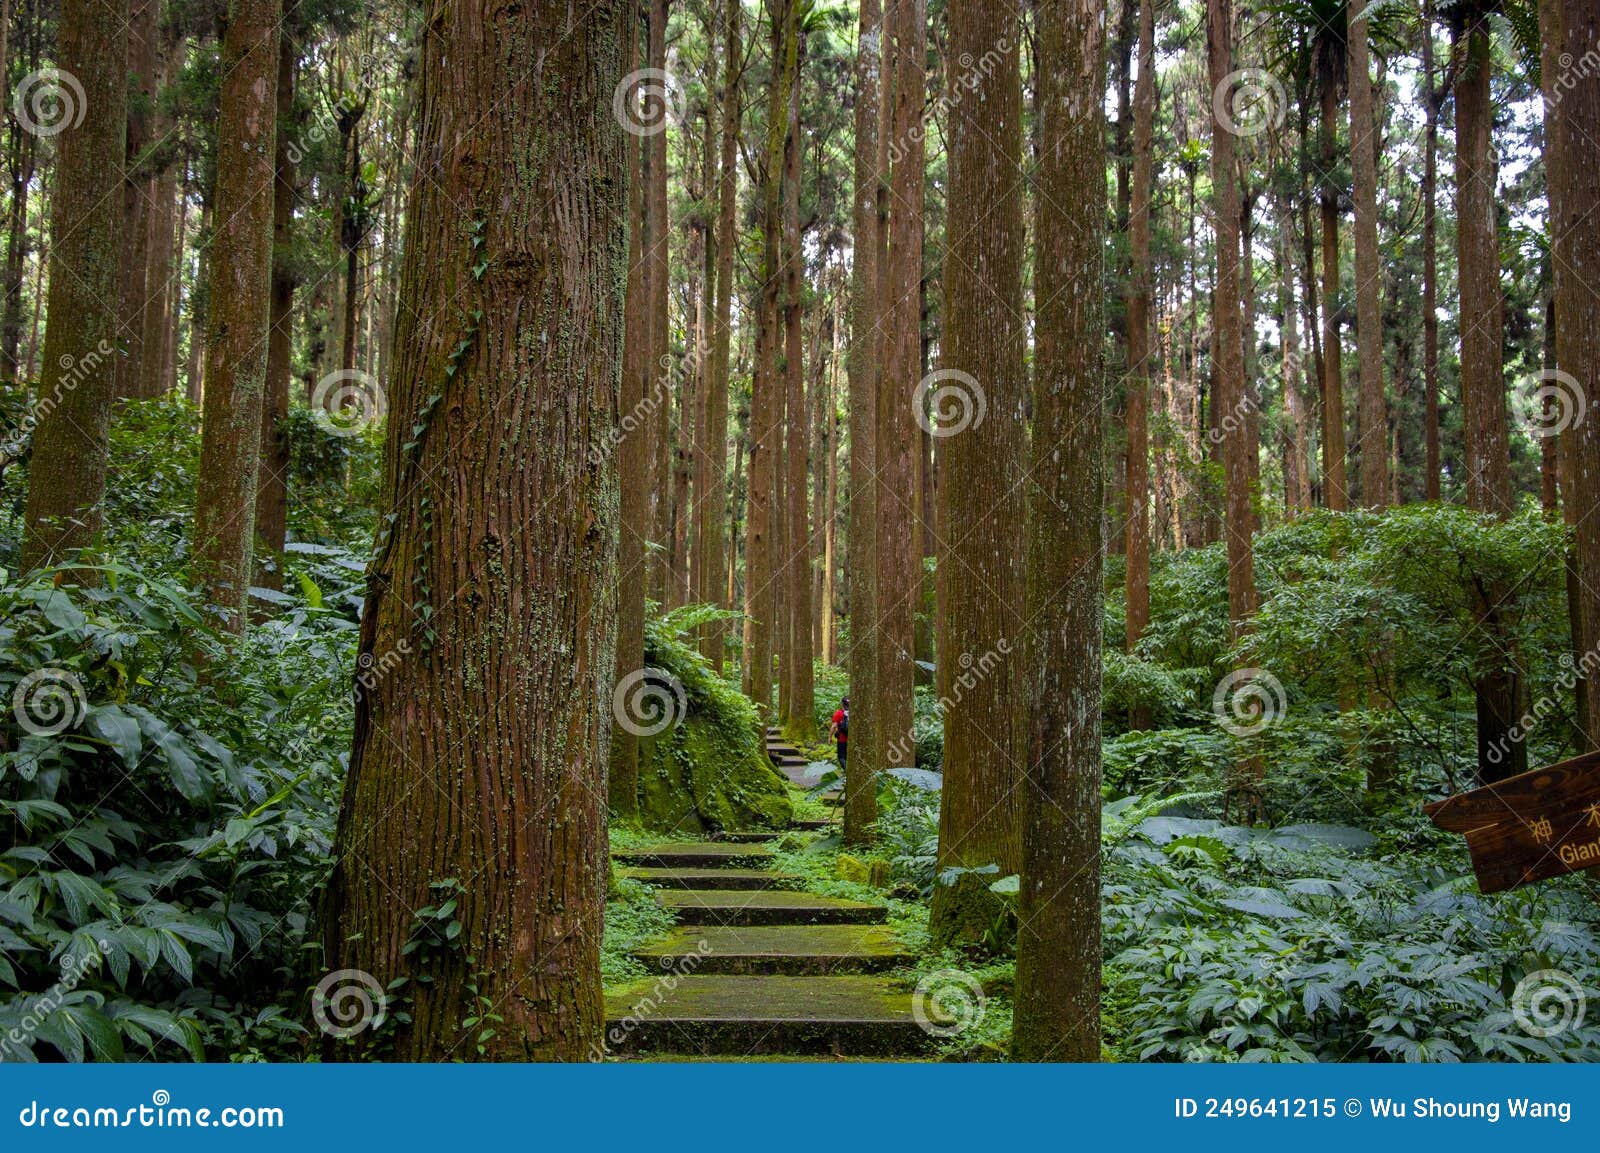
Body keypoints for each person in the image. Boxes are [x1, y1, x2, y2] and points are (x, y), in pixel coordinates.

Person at [831, 696, 849, 769]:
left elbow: (834, 726)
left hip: (842, 740)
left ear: (842, 704)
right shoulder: (856, 713)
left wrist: (829, 737)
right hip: (853, 740)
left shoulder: (839, 713)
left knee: (841, 757)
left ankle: (847, 771)